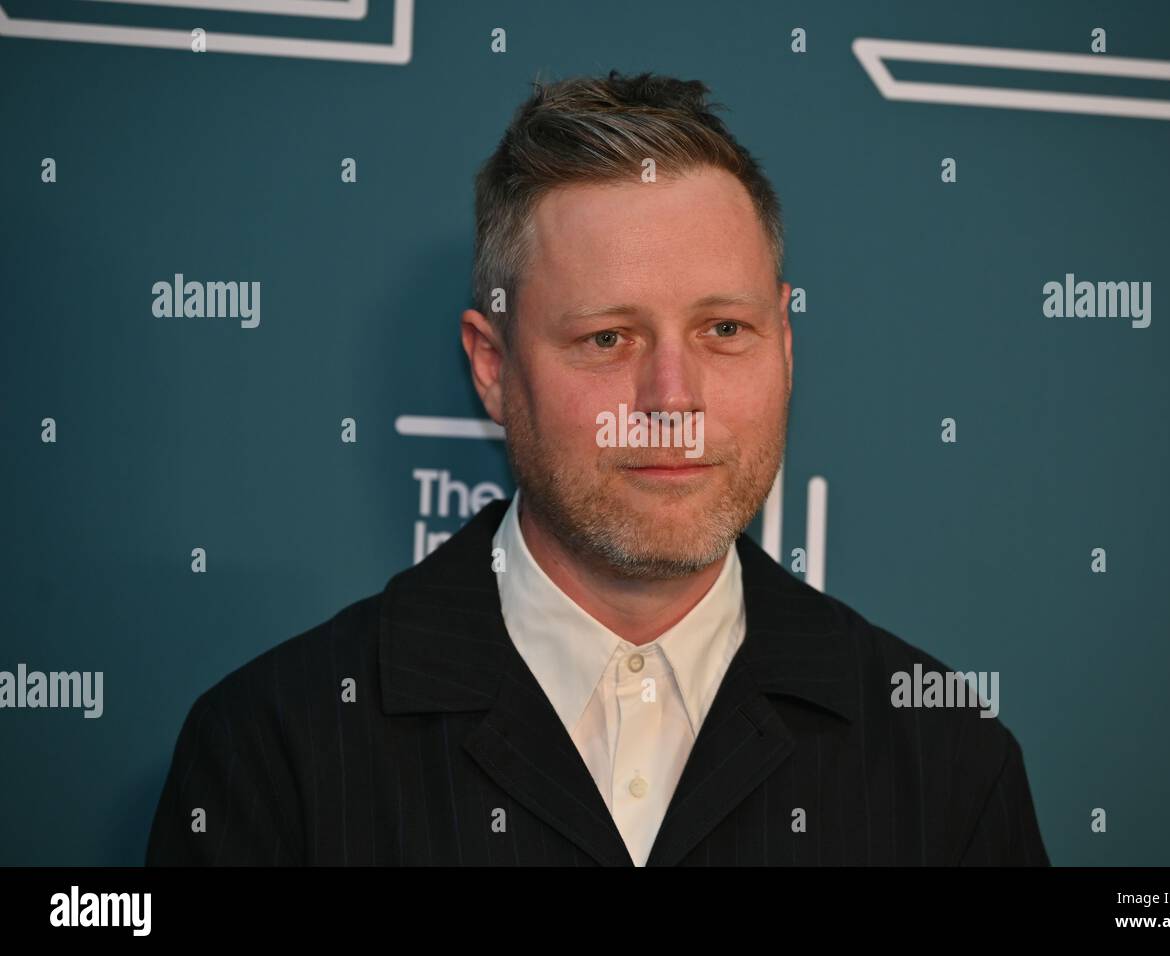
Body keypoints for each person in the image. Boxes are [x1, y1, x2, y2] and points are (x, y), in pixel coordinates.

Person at [146, 70, 1049, 866]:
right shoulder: (279, 747)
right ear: (493, 368)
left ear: (785, 343)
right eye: (607, 337)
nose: (670, 400)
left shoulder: (944, 758)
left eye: (723, 330)